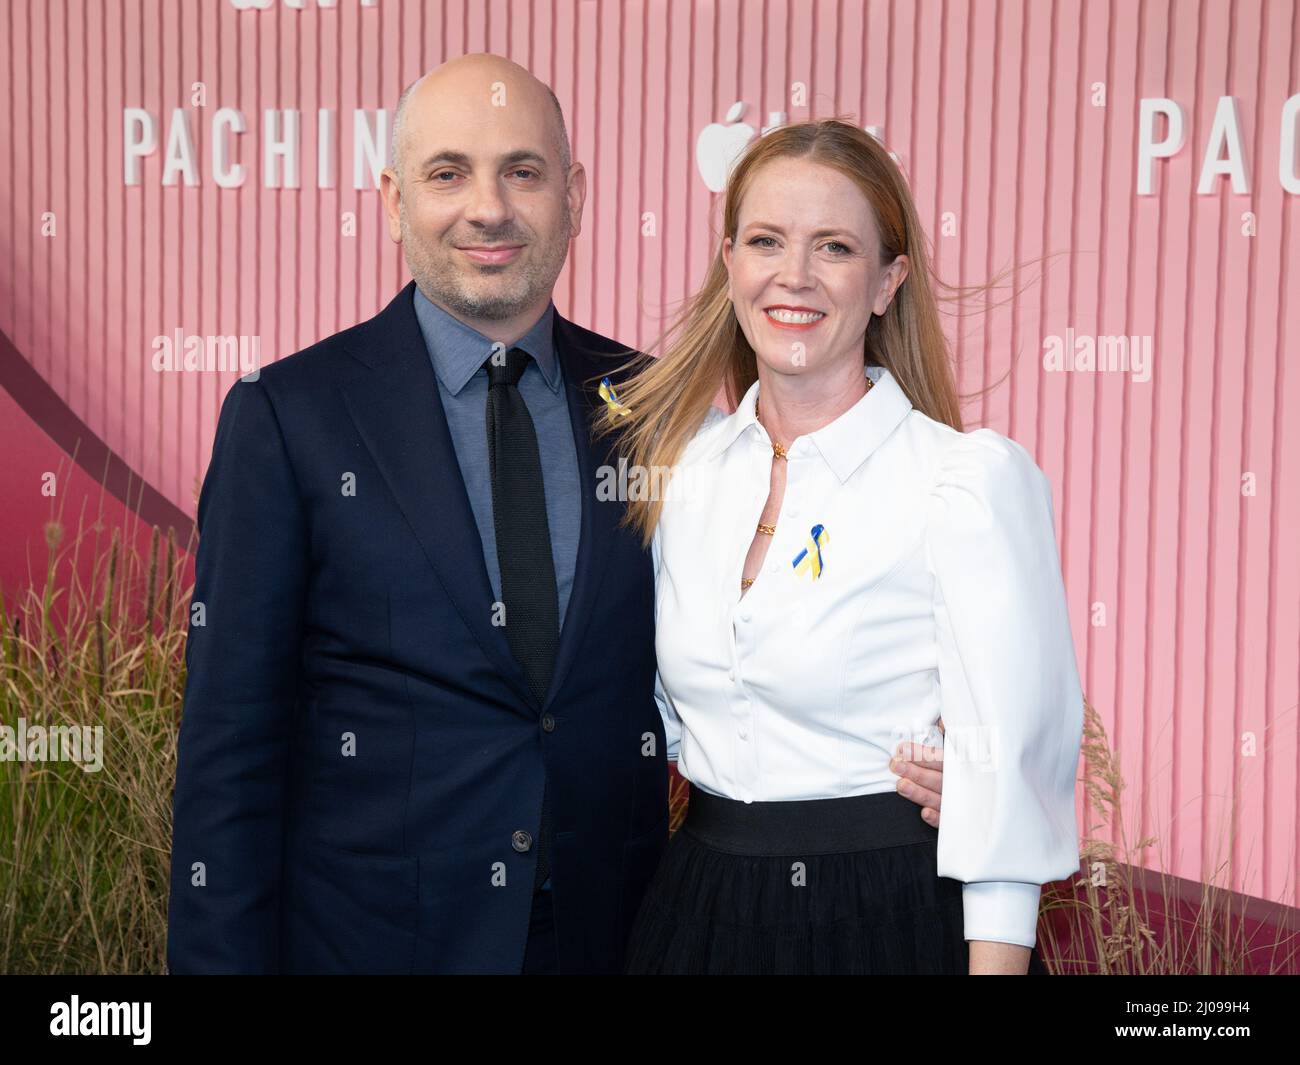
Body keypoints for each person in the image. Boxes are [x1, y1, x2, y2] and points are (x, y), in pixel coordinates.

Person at [165, 53, 949, 976]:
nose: (488, 207)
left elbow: (774, 638)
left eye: (523, 172)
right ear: (390, 201)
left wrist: (951, 769)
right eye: (448, 172)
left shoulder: (662, 410)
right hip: (370, 946)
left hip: (615, 944)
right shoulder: (289, 416)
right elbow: (229, 755)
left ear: (574, 197)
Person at [605, 119, 1084, 975]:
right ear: (730, 265)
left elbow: (1007, 803)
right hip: (699, 914)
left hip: (890, 917)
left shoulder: (962, 481)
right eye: (766, 241)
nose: (793, 276)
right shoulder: (681, 474)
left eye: (834, 247)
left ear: (886, 282)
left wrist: (972, 786)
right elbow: (667, 725)